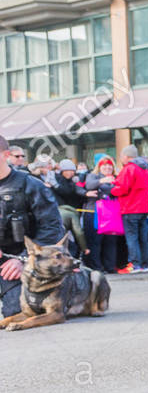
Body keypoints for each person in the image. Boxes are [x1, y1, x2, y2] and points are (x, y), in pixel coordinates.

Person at [0, 134, 66, 318]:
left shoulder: (31, 185)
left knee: (17, 311)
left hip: (23, 261)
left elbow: (52, 229)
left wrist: (22, 259)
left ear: (6, 155)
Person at [111, 144, 148, 273]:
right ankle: (145, 265)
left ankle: (135, 265)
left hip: (130, 208)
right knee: (143, 238)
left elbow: (122, 188)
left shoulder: (129, 168)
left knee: (132, 238)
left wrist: (111, 189)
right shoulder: (144, 169)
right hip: (143, 209)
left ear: (126, 156)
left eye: (121, 156)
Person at [50, 159, 87, 257]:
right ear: (63, 171)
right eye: (69, 170)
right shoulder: (57, 180)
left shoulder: (71, 181)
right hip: (63, 213)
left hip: (72, 212)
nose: (72, 173)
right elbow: (66, 192)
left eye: (73, 171)